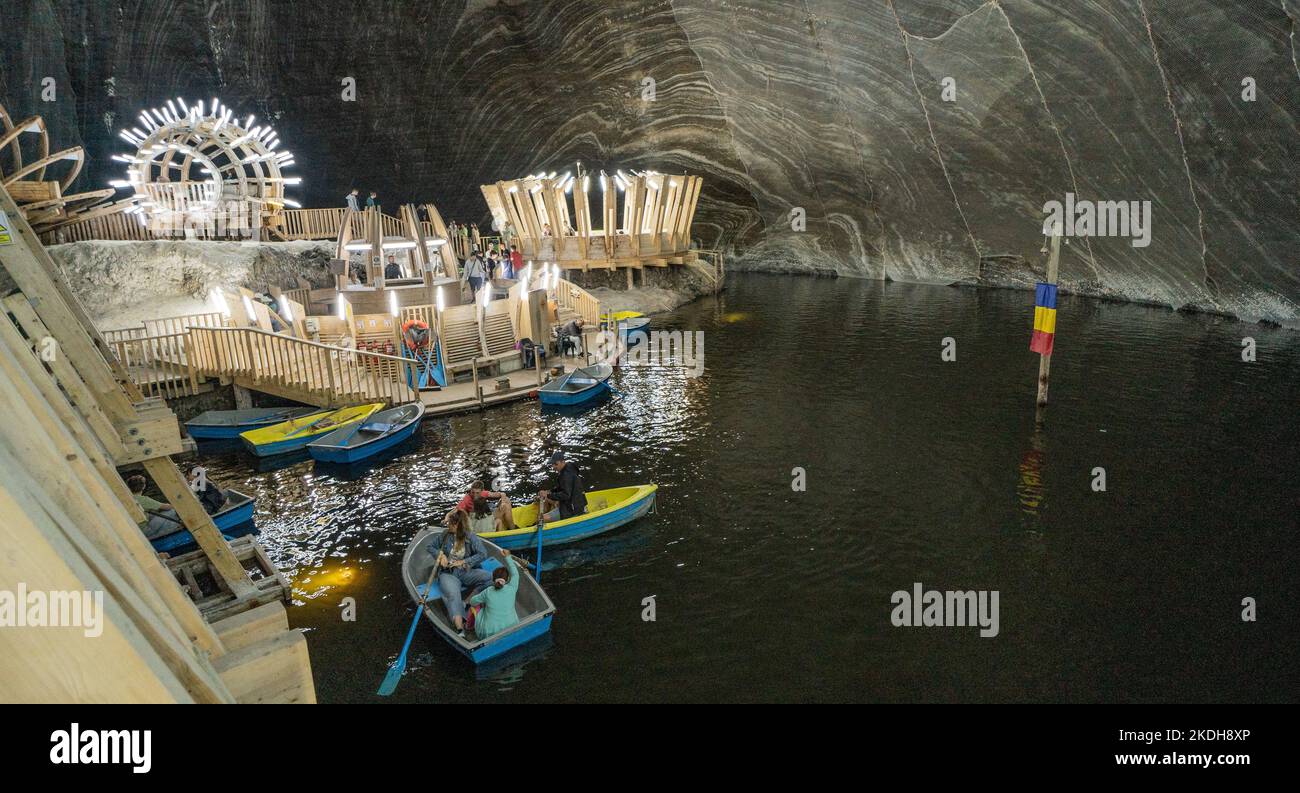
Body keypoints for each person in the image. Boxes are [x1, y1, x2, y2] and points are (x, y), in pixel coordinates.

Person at [428, 510, 494, 635]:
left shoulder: (470, 537)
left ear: (458, 525)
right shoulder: (445, 535)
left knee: (490, 578)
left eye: (451, 524)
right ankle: (459, 628)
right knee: (453, 595)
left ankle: (467, 602)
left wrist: (465, 561)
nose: (448, 525)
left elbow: (483, 554)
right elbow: (430, 547)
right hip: (448, 573)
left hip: (465, 571)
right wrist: (440, 555)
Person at [467, 549, 520, 639]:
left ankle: (469, 627)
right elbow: (516, 574)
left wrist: (482, 603)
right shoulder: (512, 588)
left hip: (488, 634)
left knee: (475, 607)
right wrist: (508, 557)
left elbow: (472, 602)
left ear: (493, 579)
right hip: (512, 627)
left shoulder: (488, 591)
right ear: (507, 580)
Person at [127, 474, 181, 540]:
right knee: (172, 511)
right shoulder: (144, 500)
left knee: (152, 513)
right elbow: (168, 507)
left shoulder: (127, 498)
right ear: (143, 486)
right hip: (144, 530)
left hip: (132, 528)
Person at [539, 450, 586, 522]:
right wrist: (549, 492)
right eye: (553, 464)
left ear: (562, 462)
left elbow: (566, 495)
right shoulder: (569, 467)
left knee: (541, 518)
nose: (553, 466)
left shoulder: (566, 476)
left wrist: (548, 495)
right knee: (545, 497)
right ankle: (549, 513)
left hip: (573, 509)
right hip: (576, 501)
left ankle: (547, 523)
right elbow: (563, 487)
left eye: (556, 464)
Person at [451, 481, 517, 530]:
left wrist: (502, 502)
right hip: (478, 520)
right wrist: (447, 517)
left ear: (482, 491)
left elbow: (502, 494)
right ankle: (512, 528)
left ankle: (510, 526)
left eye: (477, 493)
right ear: (471, 491)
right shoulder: (467, 499)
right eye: (473, 492)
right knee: (506, 507)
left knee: (506, 500)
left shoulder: (484, 493)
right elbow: (456, 509)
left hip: (484, 515)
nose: (475, 495)